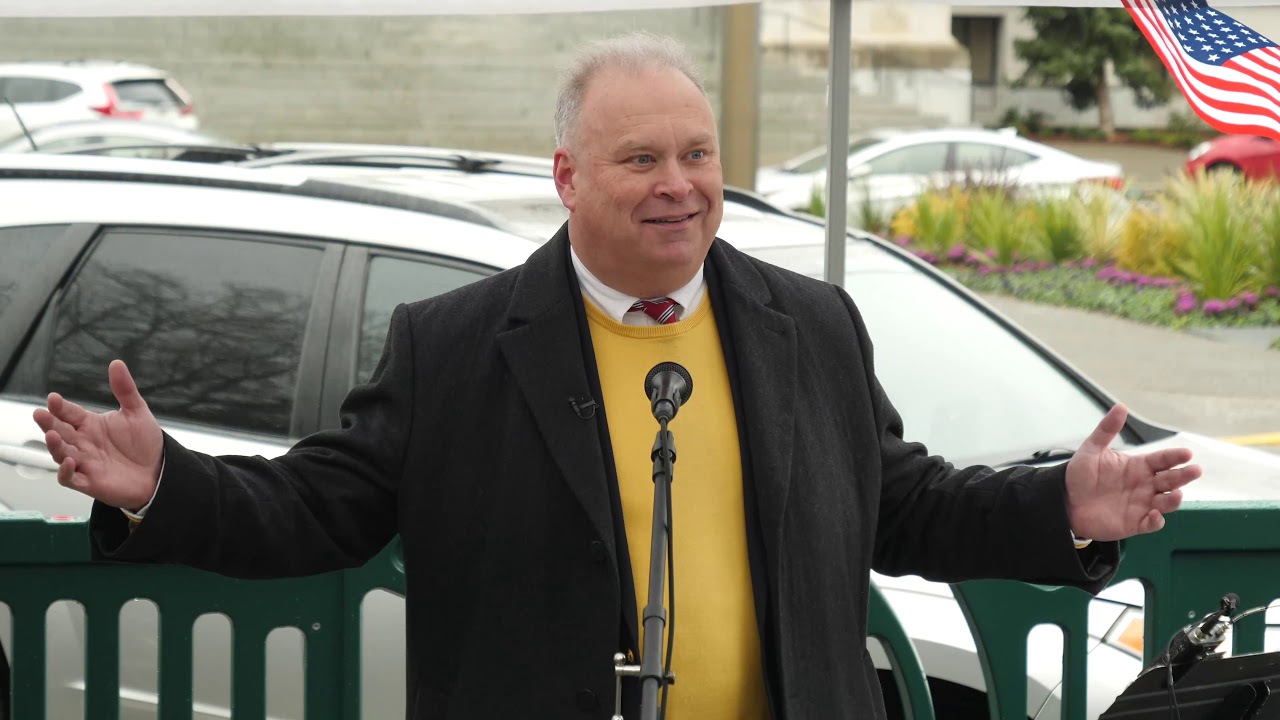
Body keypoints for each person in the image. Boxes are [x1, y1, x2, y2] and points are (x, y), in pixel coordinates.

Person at [33, 32, 1200, 720]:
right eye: (638, 158)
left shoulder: (810, 326)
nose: (676, 183)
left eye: (696, 154)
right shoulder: (453, 345)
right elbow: (316, 508)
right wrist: (162, 484)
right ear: (566, 176)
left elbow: (899, 504)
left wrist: (1058, 506)